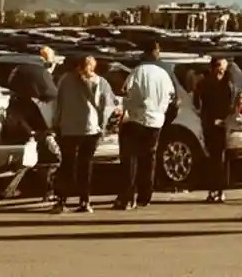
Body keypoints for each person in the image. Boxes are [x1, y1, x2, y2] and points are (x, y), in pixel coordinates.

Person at [51, 55, 115, 214]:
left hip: (70, 128)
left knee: (68, 164)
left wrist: (56, 123)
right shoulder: (99, 82)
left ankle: (62, 200)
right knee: (84, 165)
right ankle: (84, 200)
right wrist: (103, 126)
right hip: (89, 128)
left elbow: (58, 103)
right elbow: (105, 105)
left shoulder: (65, 79)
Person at [115, 44, 175, 210]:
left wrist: (129, 109)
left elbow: (127, 92)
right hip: (156, 120)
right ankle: (145, 195)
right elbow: (171, 96)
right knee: (149, 158)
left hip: (137, 119)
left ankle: (128, 196)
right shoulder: (164, 74)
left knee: (131, 158)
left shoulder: (137, 72)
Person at [4, 47, 60, 201]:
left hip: (30, 129)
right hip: (37, 130)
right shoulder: (39, 83)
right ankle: (46, 190)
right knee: (49, 159)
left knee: (34, 161)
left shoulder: (21, 81)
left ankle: (37, 189)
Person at [193, 56, 237, 203]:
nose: (221, 70)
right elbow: (197, 101)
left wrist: (224, 118)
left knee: (220, 157)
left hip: (222, 124)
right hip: (209, 123)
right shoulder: (204, 83)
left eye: (223, 68)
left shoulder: (228, 84)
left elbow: (231, 104)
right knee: (212, 157)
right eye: (219, 67)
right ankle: (213, 189)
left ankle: (220, 189)